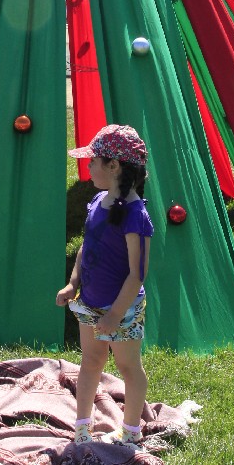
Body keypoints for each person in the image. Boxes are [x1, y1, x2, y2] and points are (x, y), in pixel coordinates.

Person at [56, 125, 154, 448]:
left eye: (94, 160)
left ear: (114, 167)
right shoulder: (98, 200)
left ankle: (130, 433)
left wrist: (115, 314)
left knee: (128, 366)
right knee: (91, 362)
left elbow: (136, 274)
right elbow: (87, 248)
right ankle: (83, 429)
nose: (88, 166)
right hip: (91, 302)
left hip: (121, 310)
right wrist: (73, 284)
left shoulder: (135, 216)